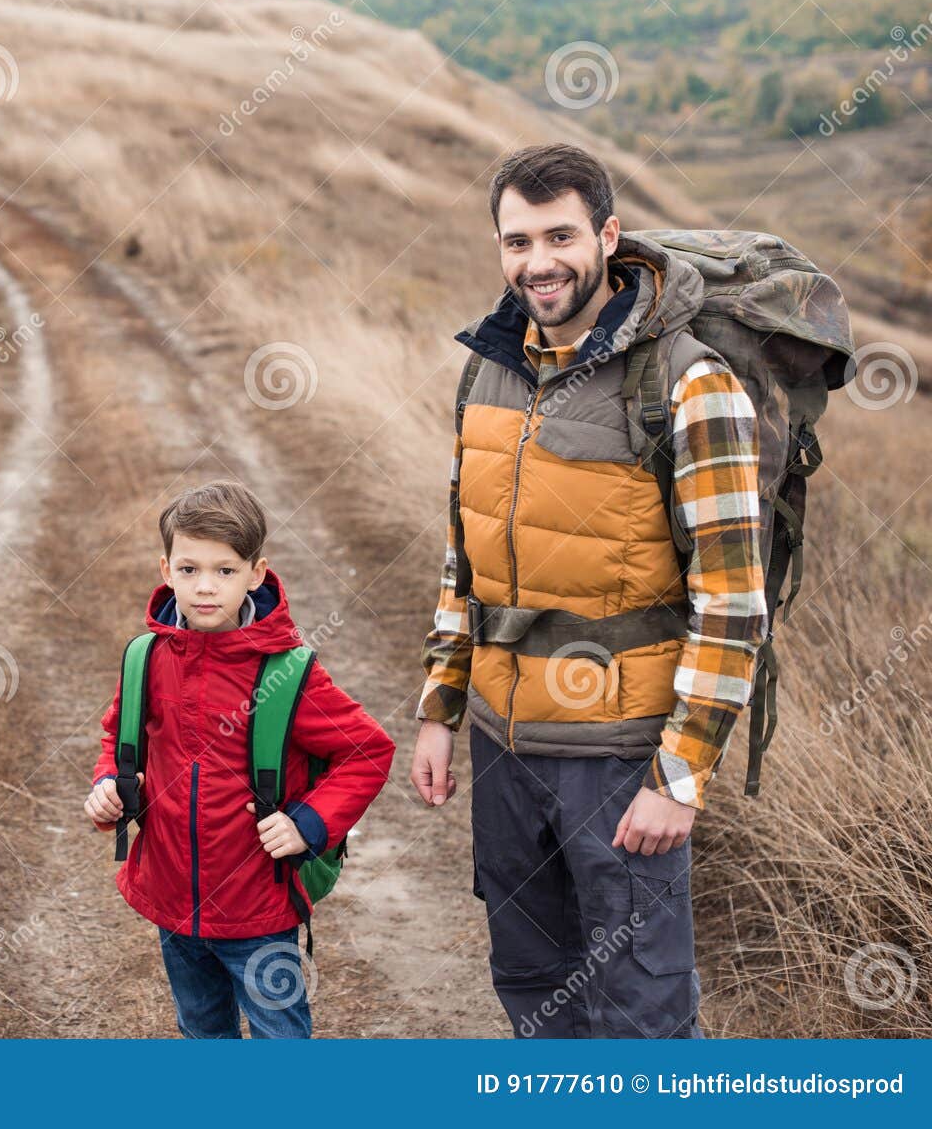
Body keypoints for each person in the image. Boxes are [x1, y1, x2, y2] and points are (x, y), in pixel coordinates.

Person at [410, 142, 768, 1038]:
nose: (538, 263)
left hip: (618, 759)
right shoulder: (485, 368)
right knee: (532, 986)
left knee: (641, 1010)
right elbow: (468, 557)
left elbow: (733, 606)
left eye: (560, 235)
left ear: (607, 235)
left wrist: (678, 778)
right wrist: (439, 706)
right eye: (517, 241)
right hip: (502, 744)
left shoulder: (689, 383)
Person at [85, 480, 394, 1038]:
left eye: (225, 571)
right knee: (203, 1031)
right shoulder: (147, 657)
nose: (205, 588)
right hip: (172, 898)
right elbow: (119, 736)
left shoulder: (287, 673)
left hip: (259, 906)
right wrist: (108, 783)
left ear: (257, 572)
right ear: (165, 568)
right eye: (189, 570)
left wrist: (309, 824)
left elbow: (367, 751)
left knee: (280, 1037)